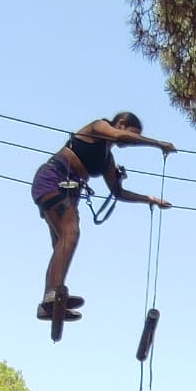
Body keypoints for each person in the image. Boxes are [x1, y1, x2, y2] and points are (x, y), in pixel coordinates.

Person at [30, 112, 176, 322]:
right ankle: (51, 294)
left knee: (62, 244)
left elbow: (118, 193)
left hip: (69, 192)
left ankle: (50, 300)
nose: (130, 138)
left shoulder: (107, 159)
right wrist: (157, 144)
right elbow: (121, 137)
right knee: (70, 235)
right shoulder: (98, 127)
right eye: (132, 132)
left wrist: (149, 199)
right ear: (121, 123)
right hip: (53, 180)